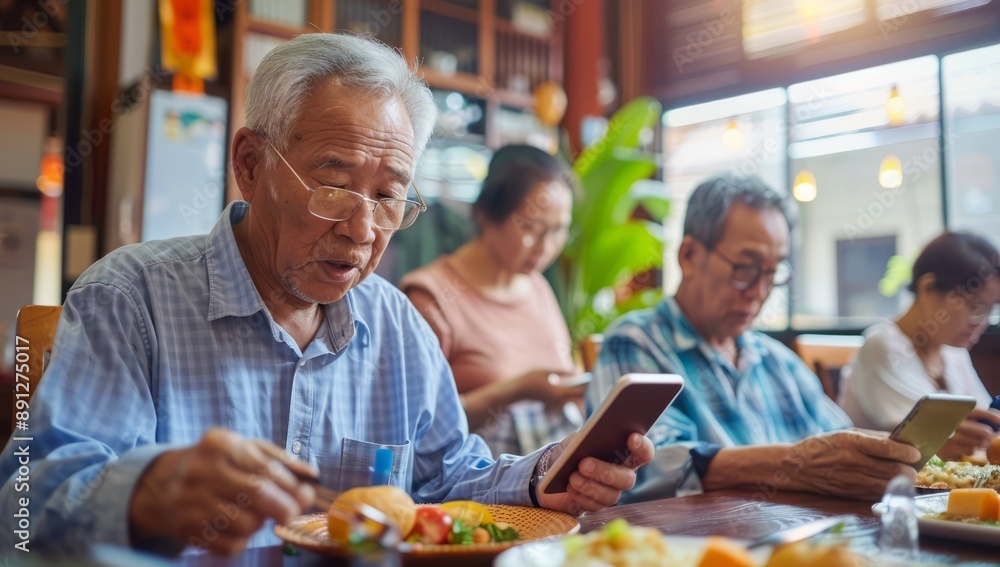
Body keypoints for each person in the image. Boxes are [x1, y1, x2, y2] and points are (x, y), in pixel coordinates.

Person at [0, 34, 653, 557]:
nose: (364, 230)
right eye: (334, 185)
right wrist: (144, 493)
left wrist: (549, 476)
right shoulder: (131, 298)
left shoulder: (393, 322)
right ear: (250, 165)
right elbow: (21, 508)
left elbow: (450, 483)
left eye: (389, 194)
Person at [588, 173, 920, 504]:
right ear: (688, 256)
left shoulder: (778, 362)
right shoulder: (636, 343)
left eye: (772, 272)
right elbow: (644, 470)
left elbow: (840, 445)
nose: (759, 293)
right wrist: (793, 464)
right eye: (745, 268)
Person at [400, 145, 584, 457]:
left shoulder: (537, 286)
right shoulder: (430, 298)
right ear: (485, 214)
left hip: (549, 485)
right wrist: (516, 390)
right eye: (531, 228)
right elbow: (414, 422)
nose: (546, 247)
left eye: (558, 232)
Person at [838, 231, 1000, 459]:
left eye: (990, 310)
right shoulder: (882, 346)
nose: (981, 323)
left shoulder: (952, 353)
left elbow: (988, 425)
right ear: (928, 288)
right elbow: (925, 439)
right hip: (891, 488)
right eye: (975, 307)